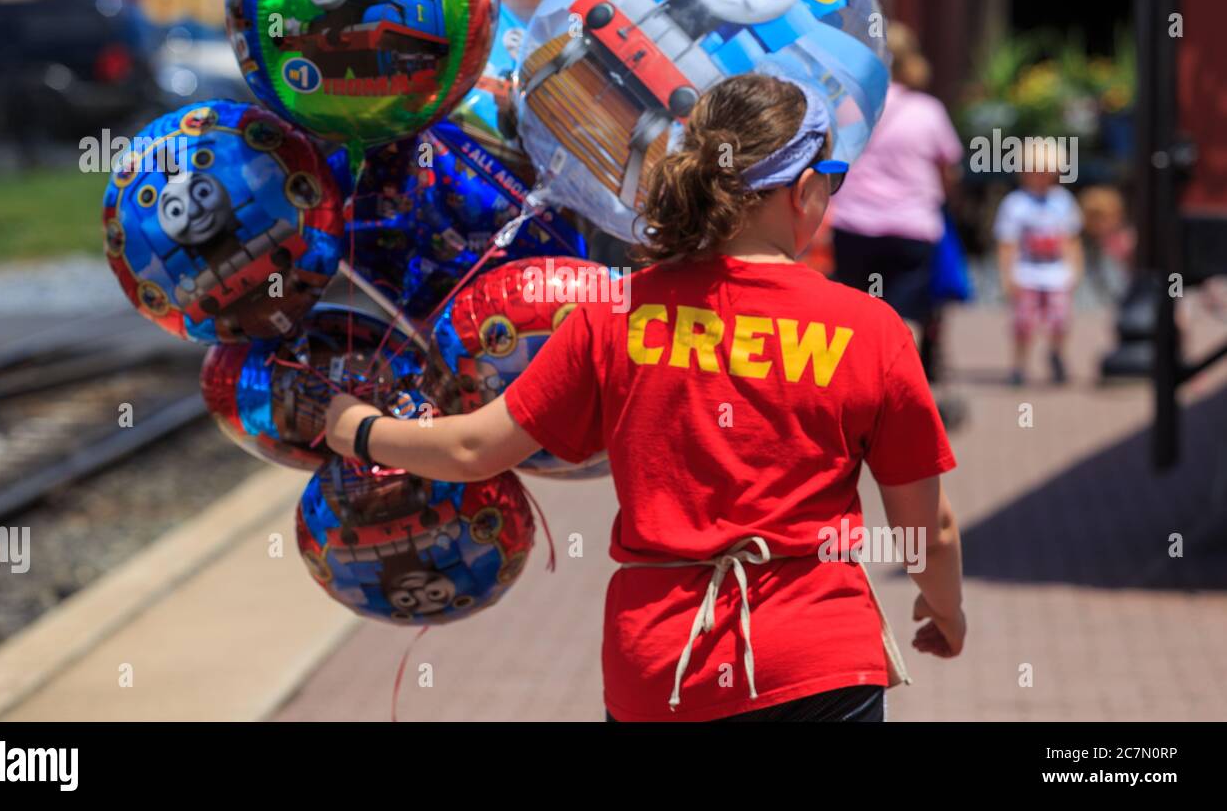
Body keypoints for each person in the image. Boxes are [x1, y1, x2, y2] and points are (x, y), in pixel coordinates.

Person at [326, 74, 965, 722]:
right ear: (803, 191)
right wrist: (945, 609)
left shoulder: (615, 310)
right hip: (817, 660)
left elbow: (472, 448)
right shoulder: (868, 328)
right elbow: (927, 528)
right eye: (832, 175)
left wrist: (357, 429)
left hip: (661, 666)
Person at [829, 24, 964, 348]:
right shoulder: (928, 111)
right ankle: (900, 388)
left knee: (854, 316)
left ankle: (857, 391)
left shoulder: (847, 108)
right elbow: (949, 168)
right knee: (906, 317)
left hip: (852, 224)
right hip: (911, 227)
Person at [994, 142, 1084, 385]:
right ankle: (1019, 366)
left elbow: (1071, 239)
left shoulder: (1063, 201)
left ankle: (1056, 354)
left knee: (1061, 320)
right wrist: (1007, 275)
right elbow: (1007, 243)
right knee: (1023, 324)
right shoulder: (1015, 204)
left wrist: (1074, 269)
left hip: (1056, 274)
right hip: (1026, 273)